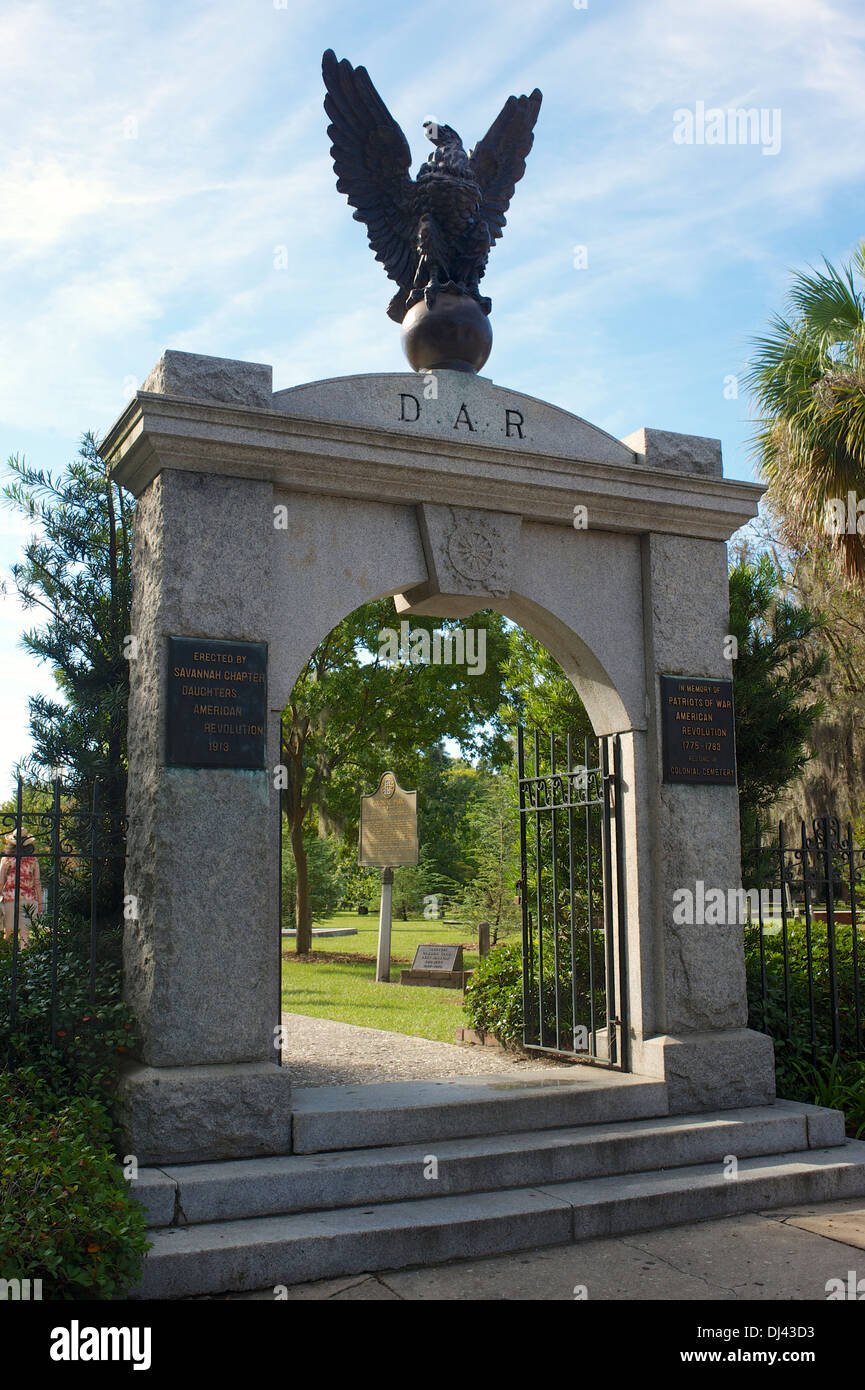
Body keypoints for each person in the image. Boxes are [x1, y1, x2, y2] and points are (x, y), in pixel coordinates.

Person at [0, 829, 43, 947]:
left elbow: (0, 882)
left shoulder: (6, 859)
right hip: (29, 899)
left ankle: (6, 959)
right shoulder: (33, 860)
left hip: (10, 899)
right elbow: (37, 883)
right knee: (25, 932)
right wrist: (40, 903)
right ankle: (24, 961)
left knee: (8, 931)